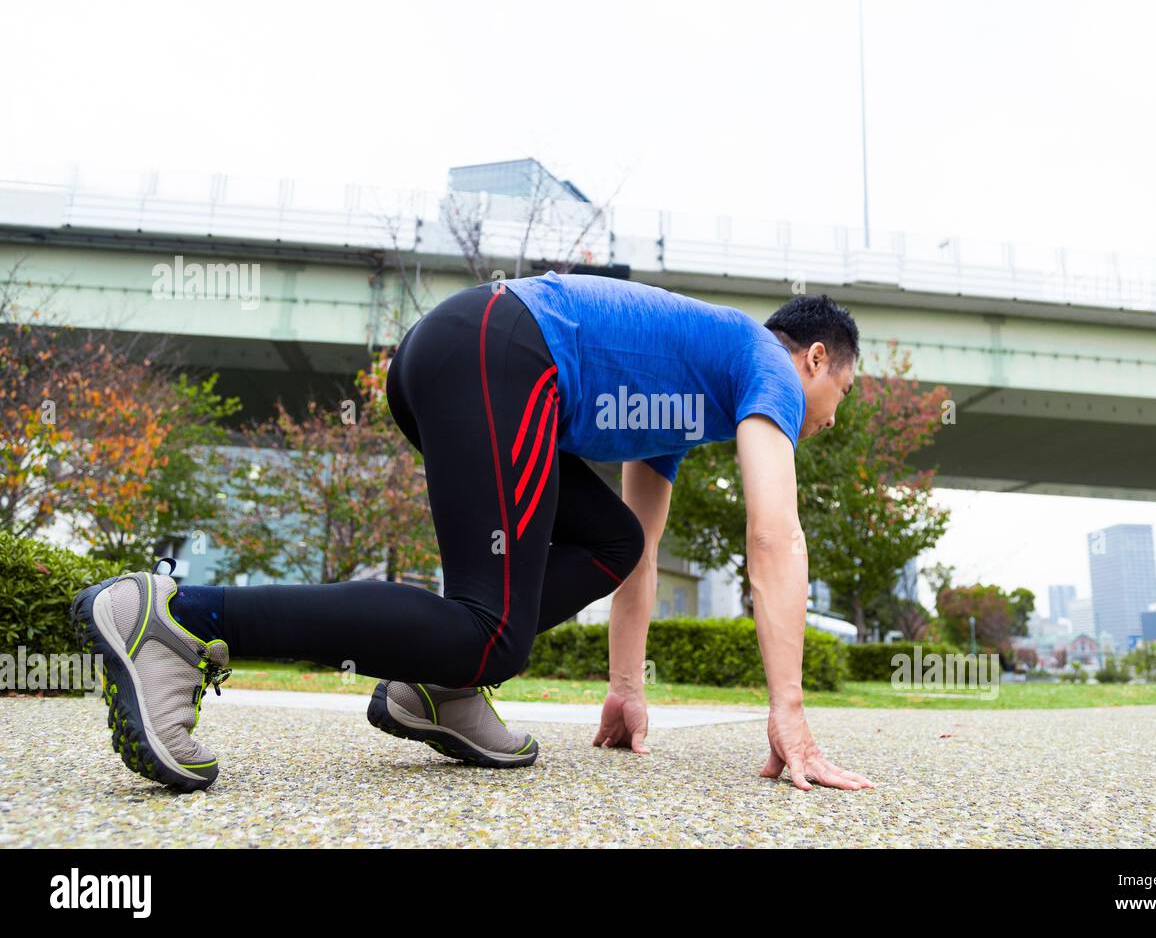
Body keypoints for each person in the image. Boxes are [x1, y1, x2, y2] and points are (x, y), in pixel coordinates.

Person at [73, 271, 871, 793]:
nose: (831, 418)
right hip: (499, 353)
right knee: (496, 635)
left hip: (466, 352)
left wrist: (627, 690)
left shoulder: (684, 394)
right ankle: (182, 619)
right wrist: (790, 716)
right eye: (842, 391)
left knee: (612, 539)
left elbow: (638, 558)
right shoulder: (763, 362)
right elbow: (775, 540)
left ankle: (439, 684)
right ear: (813, 358)